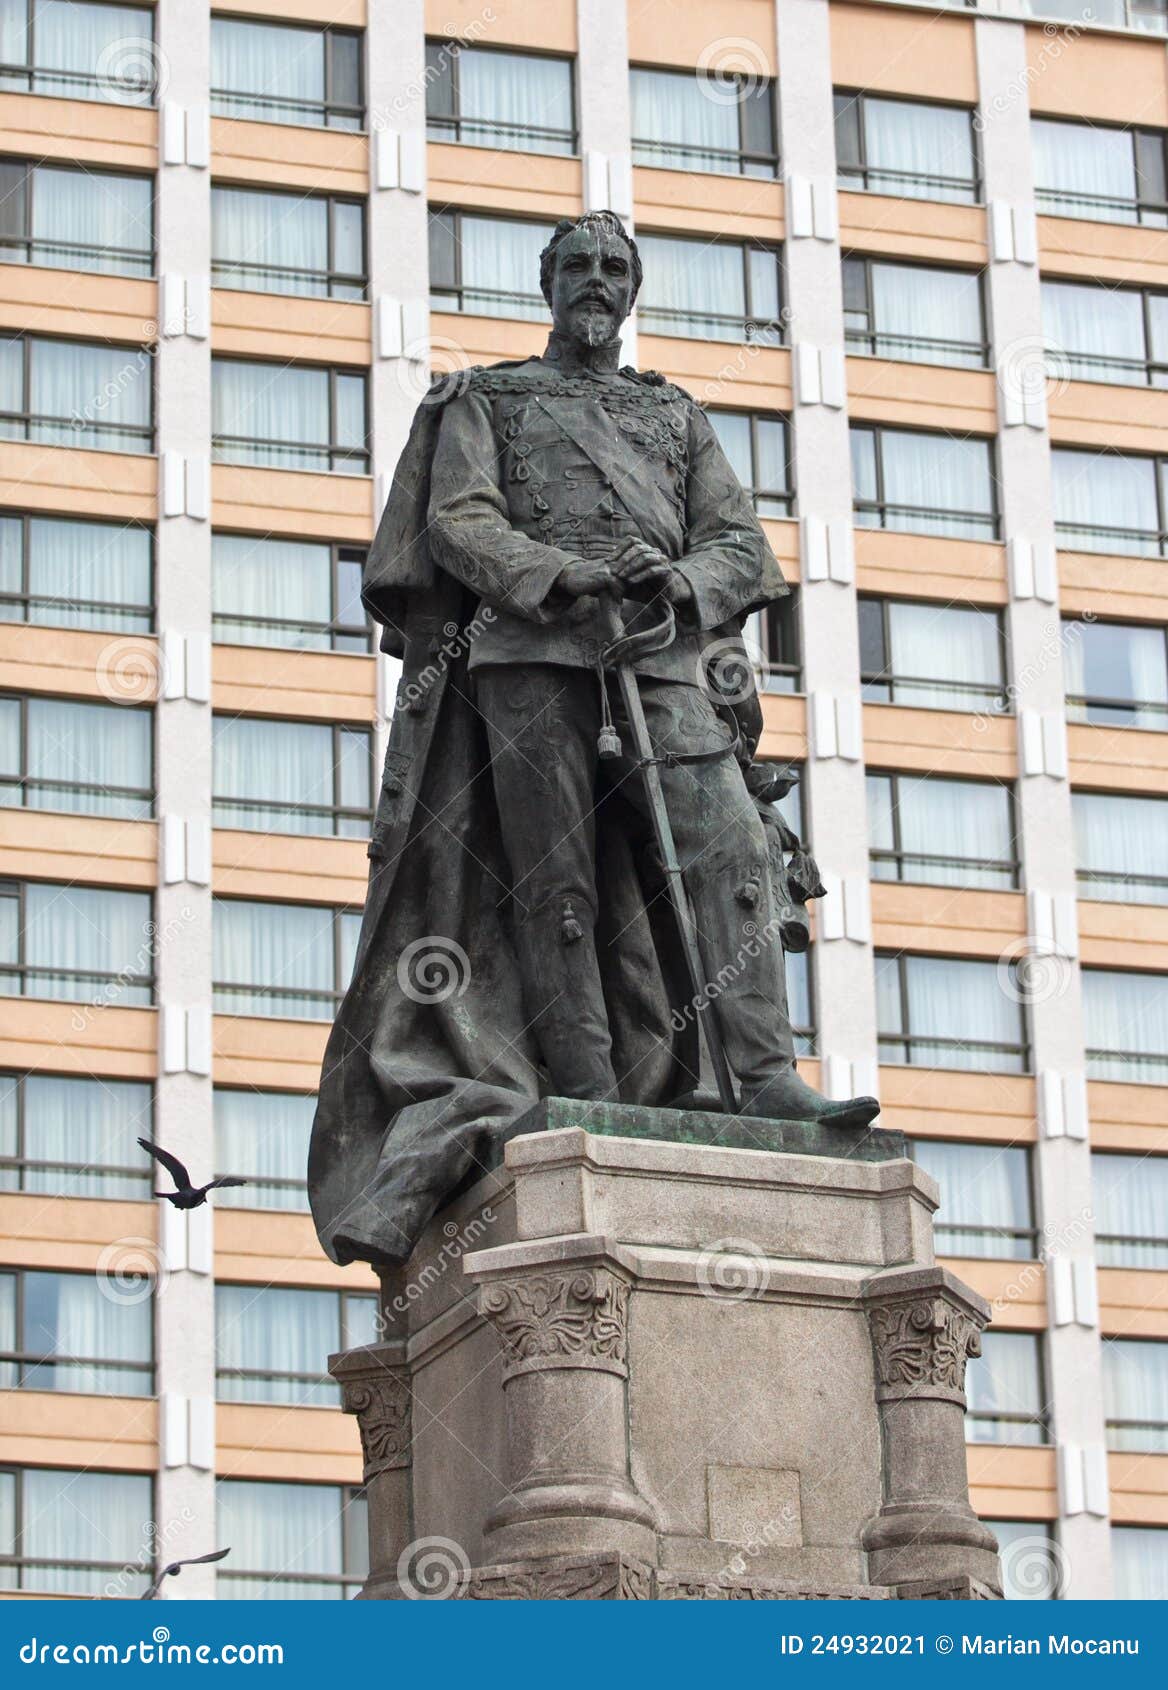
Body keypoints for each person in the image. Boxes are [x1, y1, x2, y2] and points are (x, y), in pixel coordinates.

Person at [309, 211, 877, 1269]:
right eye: (578, 265)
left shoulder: (675, 415)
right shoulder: (488, 398)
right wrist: (555, 573)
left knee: (731, 856)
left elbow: (740, 546)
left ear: (633, 289)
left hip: (660, 657)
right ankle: (581, 1085)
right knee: (552, 881)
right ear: (547, 282)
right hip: (530, 660)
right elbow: (458, 522)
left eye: (614, 268)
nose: (596, 282)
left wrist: (684, 580)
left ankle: (762, 1073)